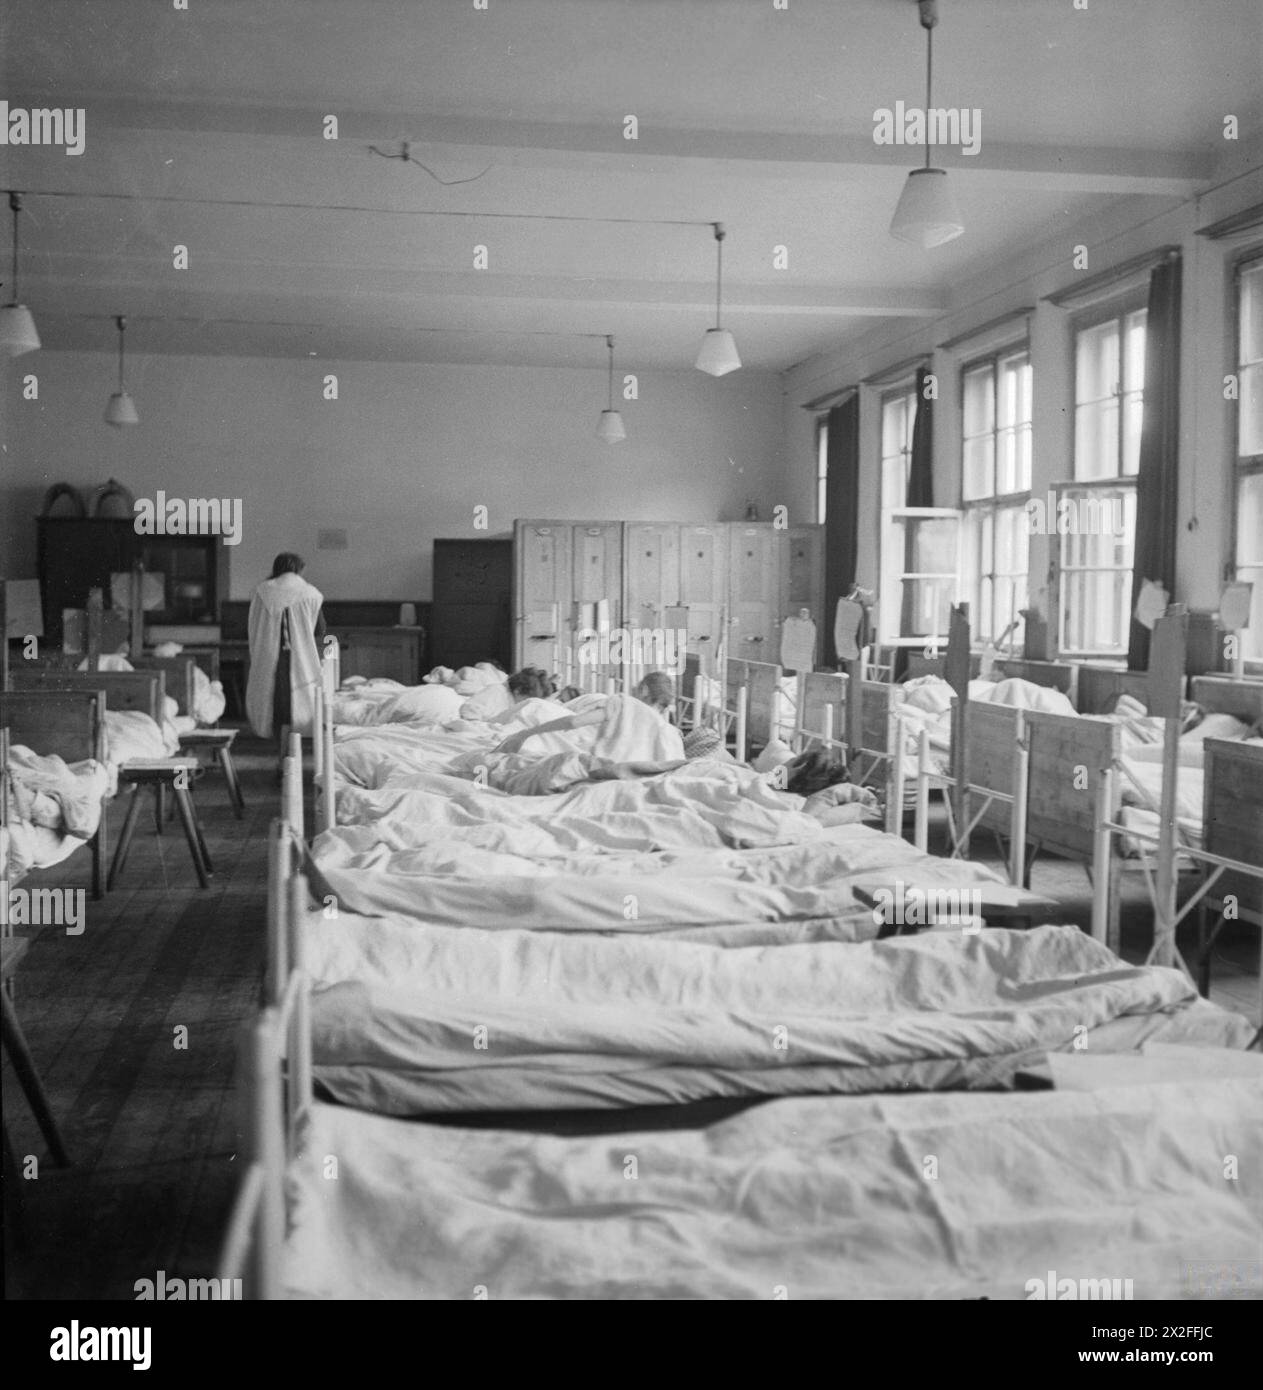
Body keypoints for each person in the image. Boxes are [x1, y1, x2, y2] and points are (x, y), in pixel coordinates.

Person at [493, 671, 682, 761]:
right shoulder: (672, 734)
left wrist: (528, 733)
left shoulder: (625, 705)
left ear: (644, 689)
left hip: (603, 769)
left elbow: (574, 722)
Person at [246, 552, 326, 765]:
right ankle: (289, 756)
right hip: (299, 660)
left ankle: (283, 756)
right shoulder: (310, 593)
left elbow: (253, 625)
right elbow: (320, 629)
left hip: (271, 659)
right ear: (299, 569)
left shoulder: (262, 591)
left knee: (277, 708)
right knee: (296, 707)